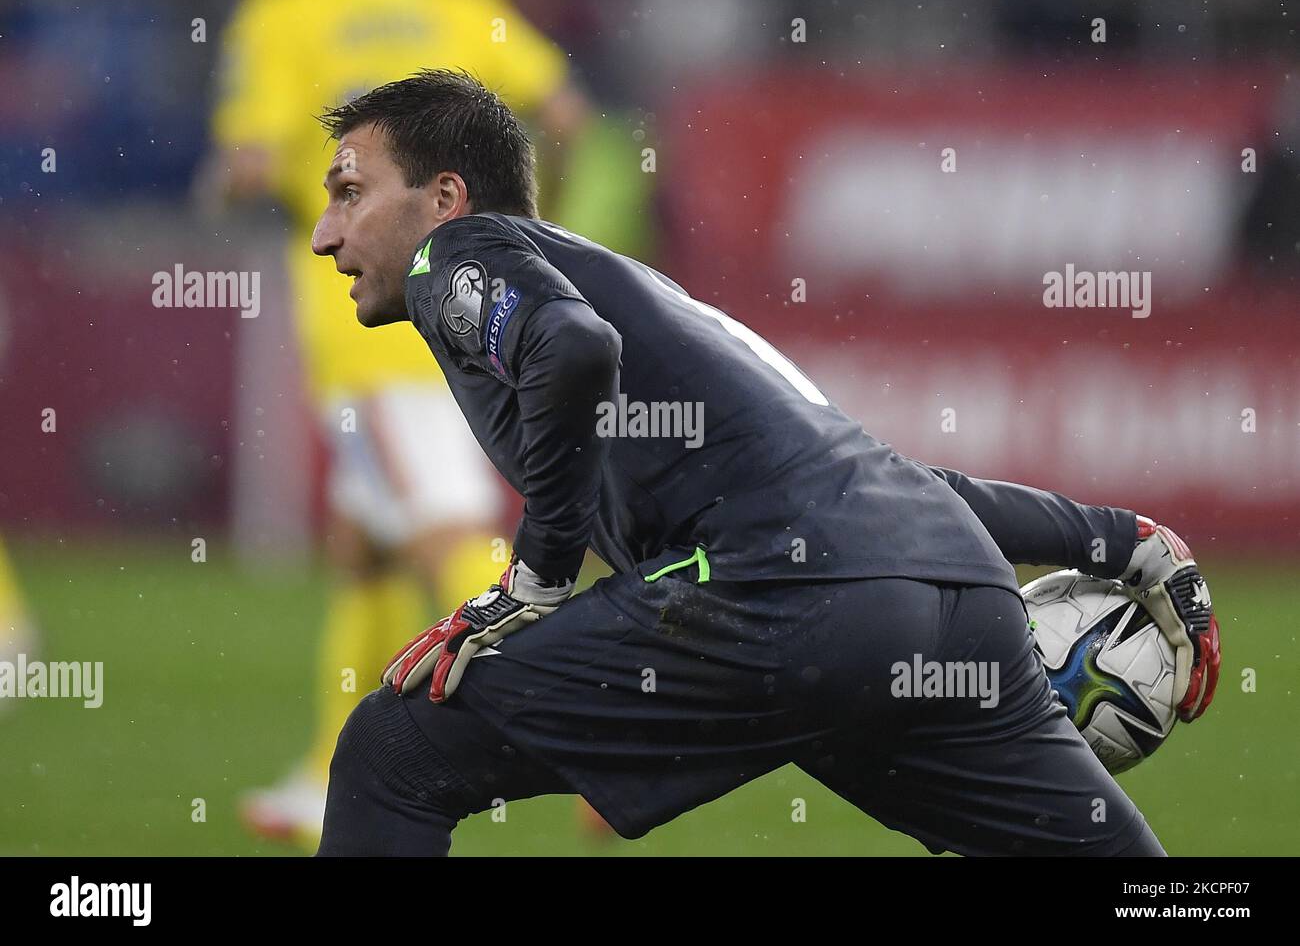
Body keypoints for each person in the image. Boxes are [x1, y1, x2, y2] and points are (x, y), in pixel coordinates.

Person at [309, 70, 1220, 856]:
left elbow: (575, 350)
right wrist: (1123, 540)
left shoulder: (452, 258)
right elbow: (887, 486)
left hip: (782, 600)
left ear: (444, 198)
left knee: (396, 752)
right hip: (953, 593)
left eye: (349, 192)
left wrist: (536, 576)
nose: (323, 233)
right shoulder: (652, 298)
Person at [202, 0, 593, 848]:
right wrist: (532, 222)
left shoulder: (284, 16)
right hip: (465, 305)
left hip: (374, 332)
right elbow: (563, 110)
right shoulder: (454, 5)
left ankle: (592, 719)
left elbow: (250, 157)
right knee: (366, 549)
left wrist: (229, 181)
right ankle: (326, 775)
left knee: (440, 530)